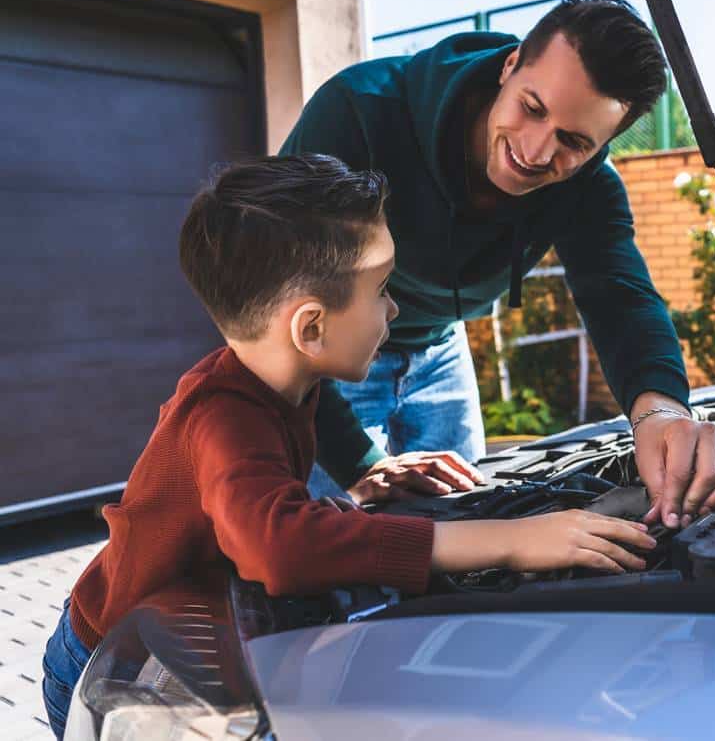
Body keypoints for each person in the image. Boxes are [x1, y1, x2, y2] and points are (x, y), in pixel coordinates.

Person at [40, 156, 654, 739]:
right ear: (311, 327)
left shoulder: (274, 383)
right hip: (107, 664)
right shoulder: (224, 415)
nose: (395, 306)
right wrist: (516, 540)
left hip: (172, 635)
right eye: (382, 287)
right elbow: (276, 549)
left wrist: (350, 499)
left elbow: (243, 515)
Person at [283, 0, 715, 529]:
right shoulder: (356, 113)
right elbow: (276, 296)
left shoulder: (590, 188)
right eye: (532, 108)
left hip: (440, 346)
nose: (534, 153)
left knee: (473, 537)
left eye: (573, 142)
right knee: (342, 562)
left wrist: (661, 414)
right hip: (329, 362)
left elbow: (620, 295)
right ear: (510, 66)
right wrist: (358, 463)